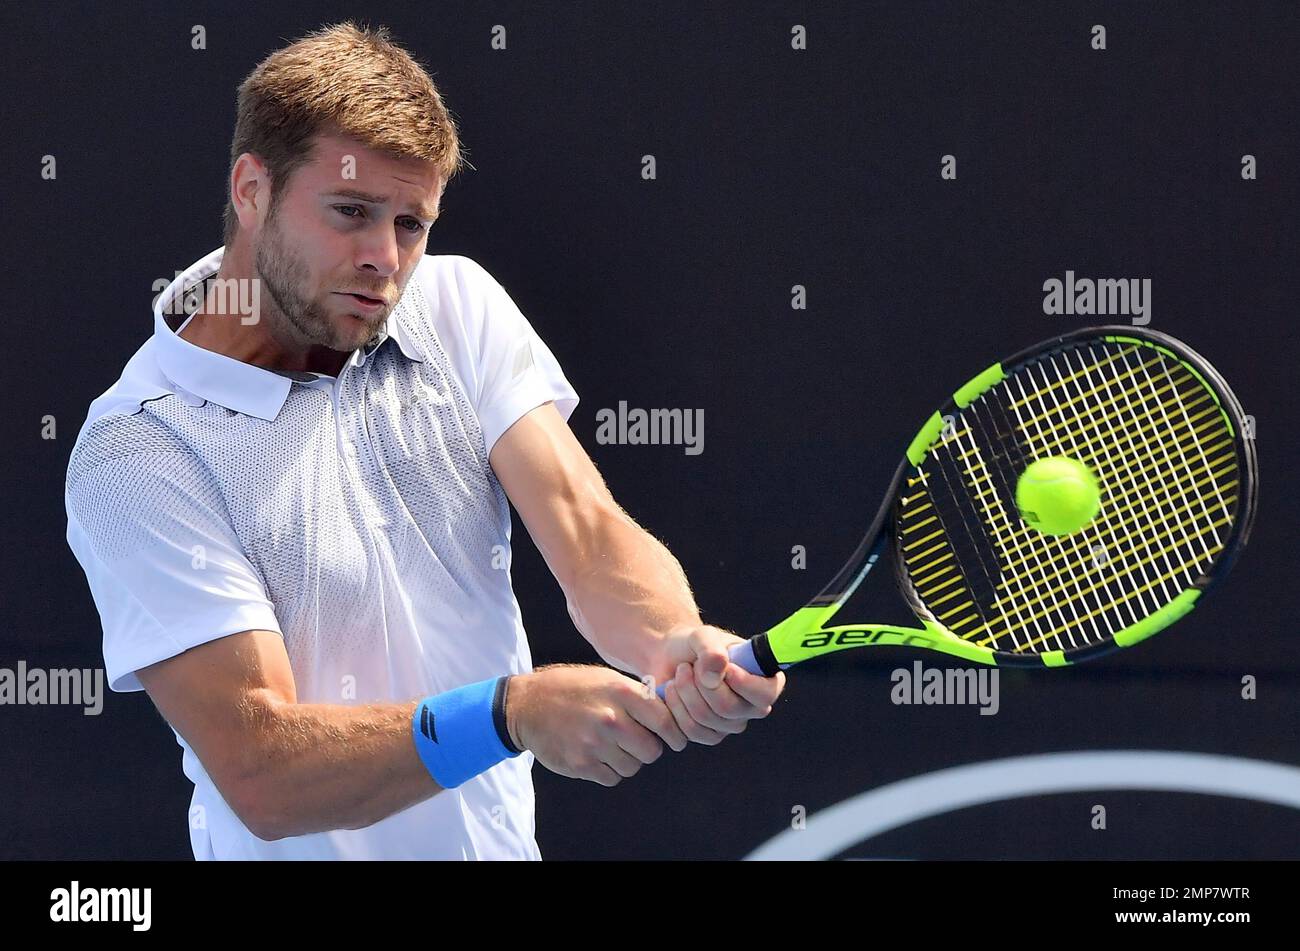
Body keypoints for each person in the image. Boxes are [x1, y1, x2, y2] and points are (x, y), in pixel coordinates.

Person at [63, 21, 784, 860]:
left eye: (412, 222)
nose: (385, 258)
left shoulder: (458, 305)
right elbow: (260, 769)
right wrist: (508, 714)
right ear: (251, 189)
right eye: (351, 212)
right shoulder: (139, 451)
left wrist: (673, 638)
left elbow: (587, 533)